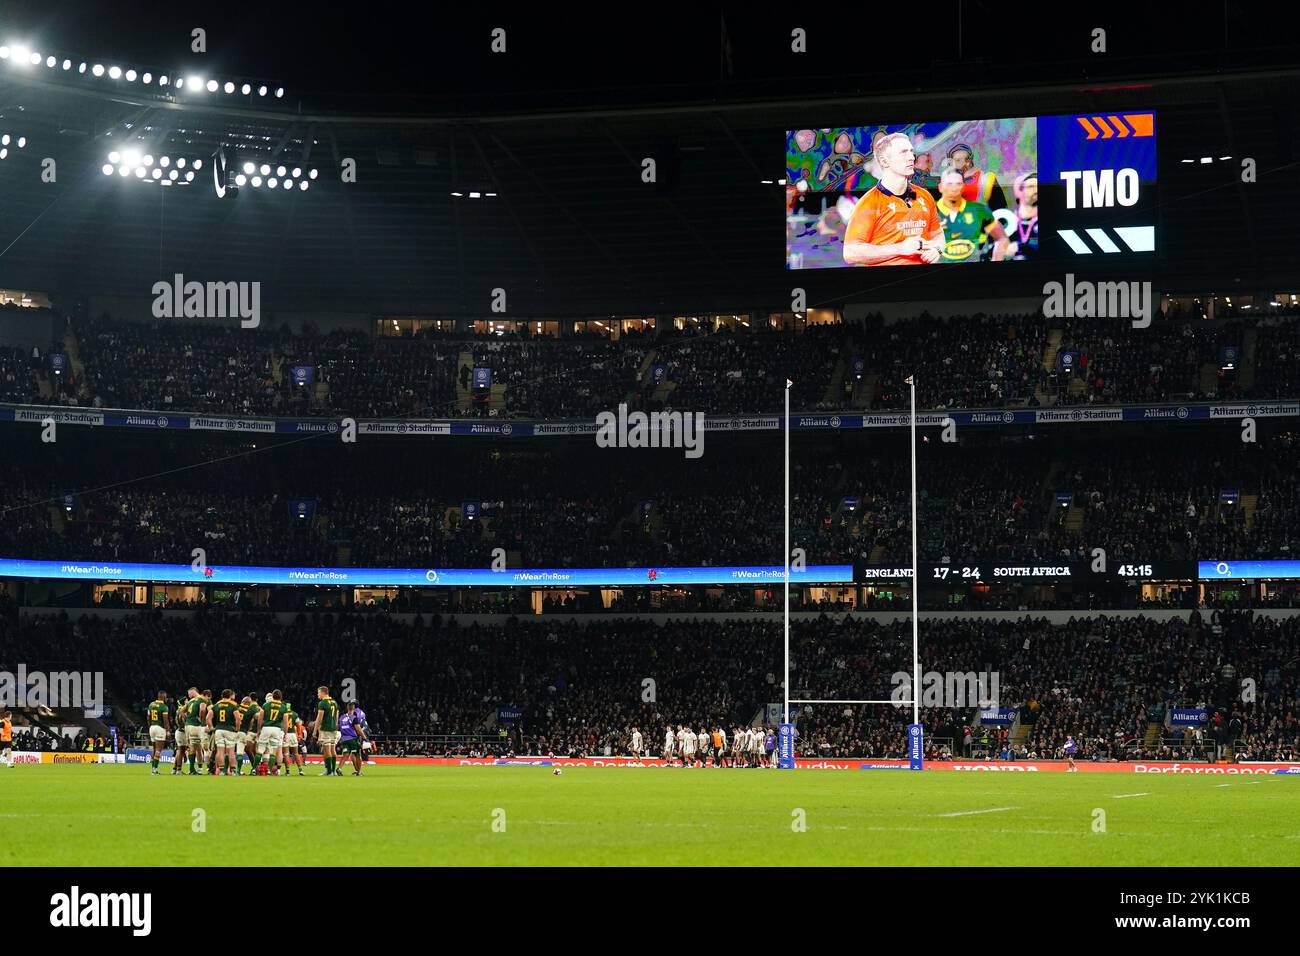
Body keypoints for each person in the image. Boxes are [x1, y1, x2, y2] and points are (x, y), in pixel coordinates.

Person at [842, 132, 942, 267]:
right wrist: (900, 248)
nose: (911, 157)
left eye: (911, 151)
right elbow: (850, 253)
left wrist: (937, 249)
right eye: (903, 152)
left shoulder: (925, 196)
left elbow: (938, 235)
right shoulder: (869, 203)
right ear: (884, 161)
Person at [312, 686, 341, 776]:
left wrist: (314, 730)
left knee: (327, 750)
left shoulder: (322, 703)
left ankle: (329, 771)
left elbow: (319, 718)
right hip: (333, 729)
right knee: (333, 749)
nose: (318, 694)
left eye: (318, 693)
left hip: (326, 729)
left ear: (323, 693)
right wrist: (335, 726)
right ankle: (333, 771)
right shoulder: (334, 702)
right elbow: (337, 716)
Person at [145, 691, 170, 775]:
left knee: (154, 749)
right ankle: (154, 770)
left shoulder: (151, 704)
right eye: (165, 697)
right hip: (159, 728)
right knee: (158, 750)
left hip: (152, 727)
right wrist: (168, 731)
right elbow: (165, 720)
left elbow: (148, 718)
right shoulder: (164, 707)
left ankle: (153, 768)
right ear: (163, 697)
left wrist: (150, 726)